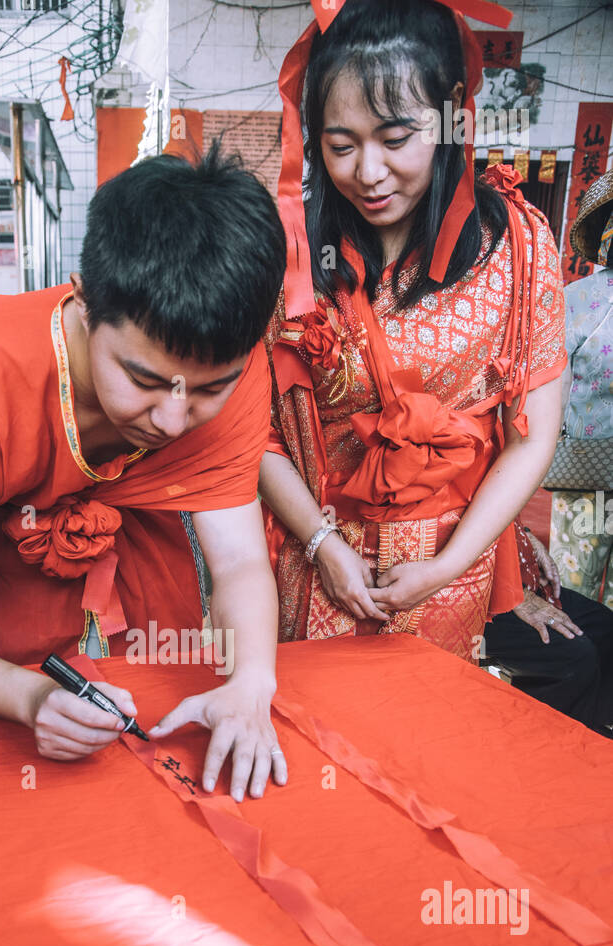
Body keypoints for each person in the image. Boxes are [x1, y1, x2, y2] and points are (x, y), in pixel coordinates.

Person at [0, 146, 289, 803]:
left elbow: (235, 563)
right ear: (86, 304)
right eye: (144, 380)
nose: (174, 422)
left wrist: (249, 684)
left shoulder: (236, 371)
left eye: (207, 390)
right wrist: (29, 696)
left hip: (139, 554)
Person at [260, 0, 566, 661]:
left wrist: (444, 567)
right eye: (340, 146)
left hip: (451, 577)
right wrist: (322, 546)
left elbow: (530, 436)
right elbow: (254, 435)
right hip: (318, 575)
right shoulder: (283, 260)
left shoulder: (517, 248)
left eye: (395, 140)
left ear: (452, 110)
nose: (367, 173)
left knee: (432, 743)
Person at [545, 169, 613, 610]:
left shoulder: (576, 297)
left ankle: (578, 671)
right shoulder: (573, 298)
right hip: (588, 472)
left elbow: (556, 383)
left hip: (585, 469)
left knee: (573, 592)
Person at [483, 523, 613, 737]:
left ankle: (588, 737)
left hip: (520, 582)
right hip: (476, 594)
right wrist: (513, 592)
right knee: (573, 656)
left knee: (604, 627)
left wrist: (526, 537)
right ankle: (548, 745)